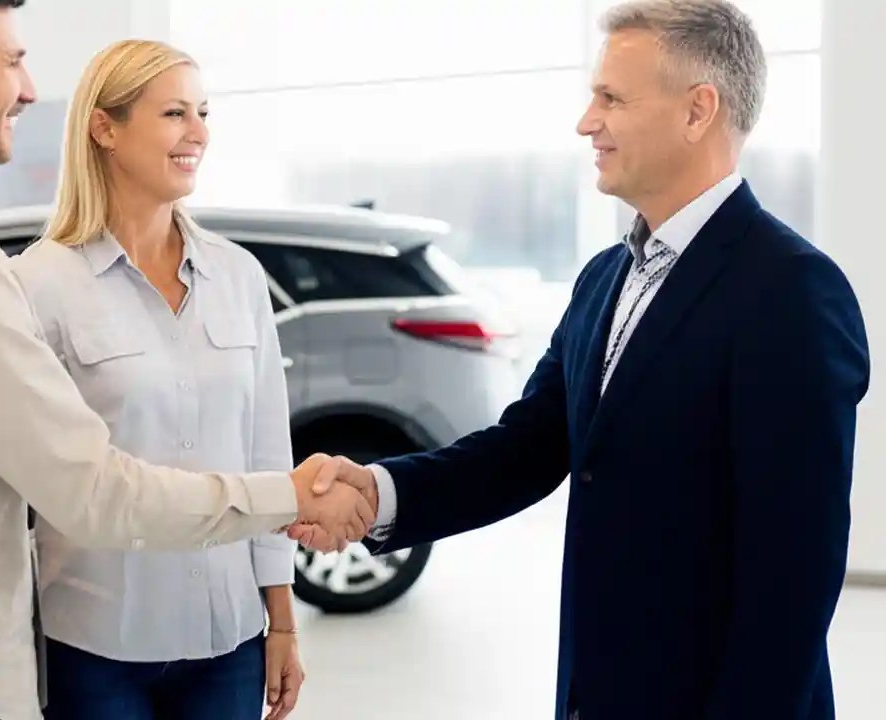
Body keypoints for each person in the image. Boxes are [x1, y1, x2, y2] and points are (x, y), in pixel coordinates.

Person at [293, 1, 870, 719]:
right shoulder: (606, 277)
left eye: (611, 98)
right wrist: (377, 494)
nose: (585, 122)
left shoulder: (791, 291)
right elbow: (525, 450)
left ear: (699, 111)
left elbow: (793, 569)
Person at [0, 3, 372, 719]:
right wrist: (292, 495)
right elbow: (93, 492)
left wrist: (278, 609)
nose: (32, 88)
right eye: (12, 60)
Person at [9, 40, 303, 720]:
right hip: (93, 644)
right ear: (104, 127)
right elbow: (33, 477)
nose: (199, 132)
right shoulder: (38, 285)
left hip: (228, 640)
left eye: (202, 112)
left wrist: (280, 621)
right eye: (174, 112)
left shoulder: (239, 277)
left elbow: (266, 458)